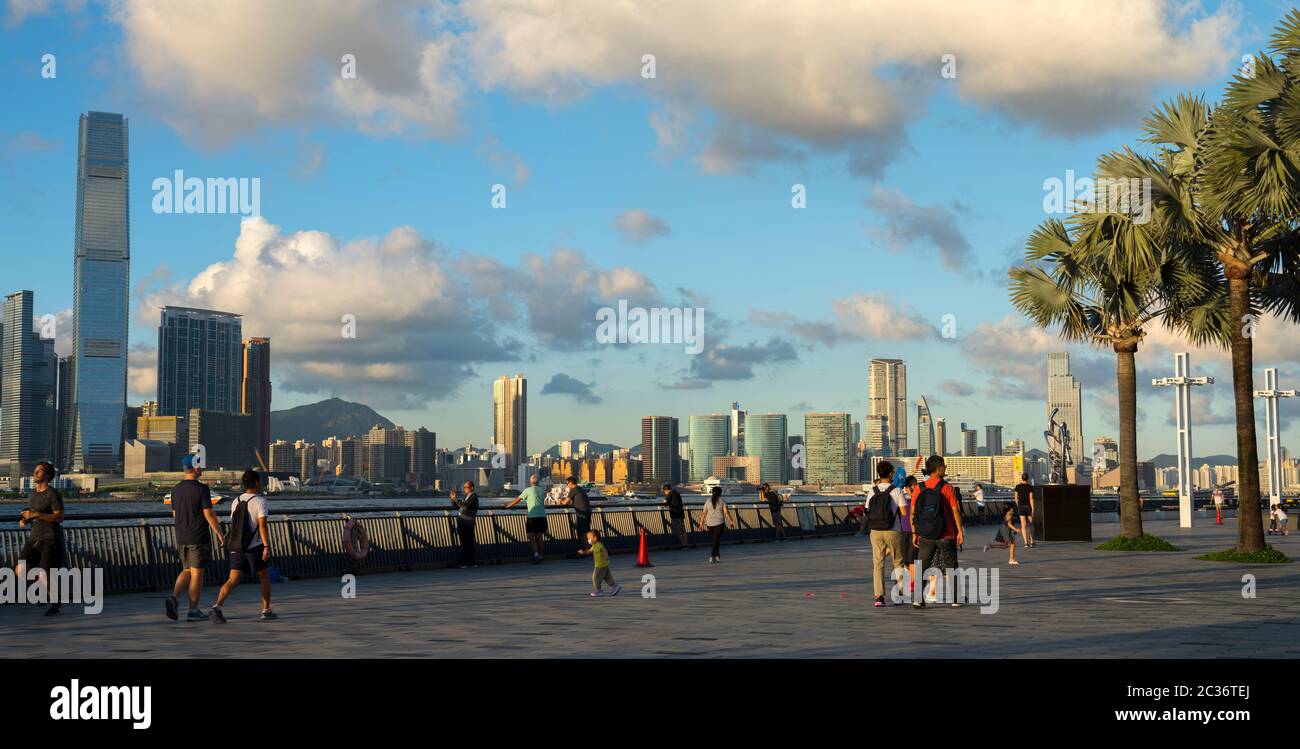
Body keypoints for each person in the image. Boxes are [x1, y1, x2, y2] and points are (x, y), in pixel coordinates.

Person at [210, 470, 275, 623]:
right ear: (257, 483)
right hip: (255, 547)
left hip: (236, 546)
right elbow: (262, 526)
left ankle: (217, 606)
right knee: (263, 576)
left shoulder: (236, 501)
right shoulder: (261, 501)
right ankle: (266, 610)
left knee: (232, 579)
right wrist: (266, 546)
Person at [166, 454, 223, 621]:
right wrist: (219, 533)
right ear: (195, 467)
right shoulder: (201, 489)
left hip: (181, 536)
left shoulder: (175, 490)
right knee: (197, 574)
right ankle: (193, 610)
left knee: (187, 570)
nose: (202, 468)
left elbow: (175, 515)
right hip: (198, 537)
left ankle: (174, 598)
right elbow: (209, 515)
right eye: (201, 466)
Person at [910, 455, 965, 608]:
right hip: (946, 534)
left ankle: (917, 599)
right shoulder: (947, 487)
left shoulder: (919, 488)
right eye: (944, 466)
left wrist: (915, 533)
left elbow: (913, 513)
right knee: (951, 566)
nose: (945, 468)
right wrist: (959, 531)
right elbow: (956, 511)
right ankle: (955, 599)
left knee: (922, 566)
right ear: (938, 468)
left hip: (926, 534)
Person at [18, 462, 65, 617]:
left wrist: (38, 515)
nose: (36, 472)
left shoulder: (52, 494)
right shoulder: (32, 494)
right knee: (20, 570)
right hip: (34, 537)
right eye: (35, 470)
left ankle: (56, 605)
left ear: (48, 475)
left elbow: (59, 517)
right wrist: (26, 519)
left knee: (47, 574)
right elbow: (31, 513)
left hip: (50, 538)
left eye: (40, 470)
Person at [866, 461, 907, 607]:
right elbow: (903, 512)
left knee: (878, 563)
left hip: (875, 531)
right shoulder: (896, 490)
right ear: (890, 474)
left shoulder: (872, 490)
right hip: (892, 530)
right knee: (898, 562)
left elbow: (867, 510)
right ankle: (899, 595)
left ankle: (879, 597)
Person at [505, 474, 548, 563]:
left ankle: (536, 555)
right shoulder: (542, 490)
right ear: (538, 482)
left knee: (531, 536)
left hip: (532, 516)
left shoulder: (528, 490)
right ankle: (540, 556)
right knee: (540, 537)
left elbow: (518, 499)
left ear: (530, 482)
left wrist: (508, 505)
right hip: (542, 516)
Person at [578, 529, 622, 597]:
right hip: (604, 564)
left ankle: (598, 590)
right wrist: (583, 552)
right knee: (607, 577)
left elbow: (604, 550)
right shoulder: (594, 545)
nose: (588, 540)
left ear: (595, 538)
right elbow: (589, 551)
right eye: (587, 538)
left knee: (595, 577)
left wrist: (606, 557)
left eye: (589, 538)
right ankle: (615, 586)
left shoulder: (598, 544)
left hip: (600, 565)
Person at [698, 485, 732, 563]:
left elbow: (704, 513)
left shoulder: (708, 501)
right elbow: (726, 512)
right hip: (719, 523)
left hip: (709, 524)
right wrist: (731, 521)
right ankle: (711, 556)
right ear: (720, 493)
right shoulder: (722, 500)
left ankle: (717, 556)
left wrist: (701, 523)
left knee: (715, 539)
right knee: (716, 540)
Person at [449, 481, 479, 568]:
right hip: (463, 522)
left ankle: (468, 562)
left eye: (466, 487)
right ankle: (469, 562)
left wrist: (455, 500)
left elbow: (465, 506)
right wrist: (453, 499)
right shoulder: (466, 496)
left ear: (471, 488)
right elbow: (457, 507)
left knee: (467, 543)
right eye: (464, 487)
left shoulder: (473, 497)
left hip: (468, 523)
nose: (464, 489)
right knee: (465, 543)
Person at [559, 476, 592, 553]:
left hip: (582, 514)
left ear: (571, 483)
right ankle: (589, 549)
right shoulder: (580, 489)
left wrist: (560, 501)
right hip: (588, 512)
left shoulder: (573, 490)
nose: (567, 485)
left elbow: (565, 502)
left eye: (567, 483)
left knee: (581, 533)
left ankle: (585, 551)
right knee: (586, 531)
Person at [661, 483, 688, 549]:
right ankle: (686, 544)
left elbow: (665, 502)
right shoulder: (676, 493)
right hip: (681, 514)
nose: (665, 493)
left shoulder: (670, 494)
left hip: (675, 514)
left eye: (664, 491)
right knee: (683, 530)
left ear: (666, 490)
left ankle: (682, 545)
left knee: (677, 530)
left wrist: (664, 504)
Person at [1013, 473, 1036, 548]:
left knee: (1023, 525)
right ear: (1028, 478)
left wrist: (1018, 505)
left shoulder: (1017, 486)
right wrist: (1033, 508)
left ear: (1022, 478)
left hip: (1021, 506)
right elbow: (1031, 498)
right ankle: (1032, 541)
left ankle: (1026, 543)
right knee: (1031, 524)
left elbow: (1016, 498)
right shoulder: (1030, 487)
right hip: (1028, 506)